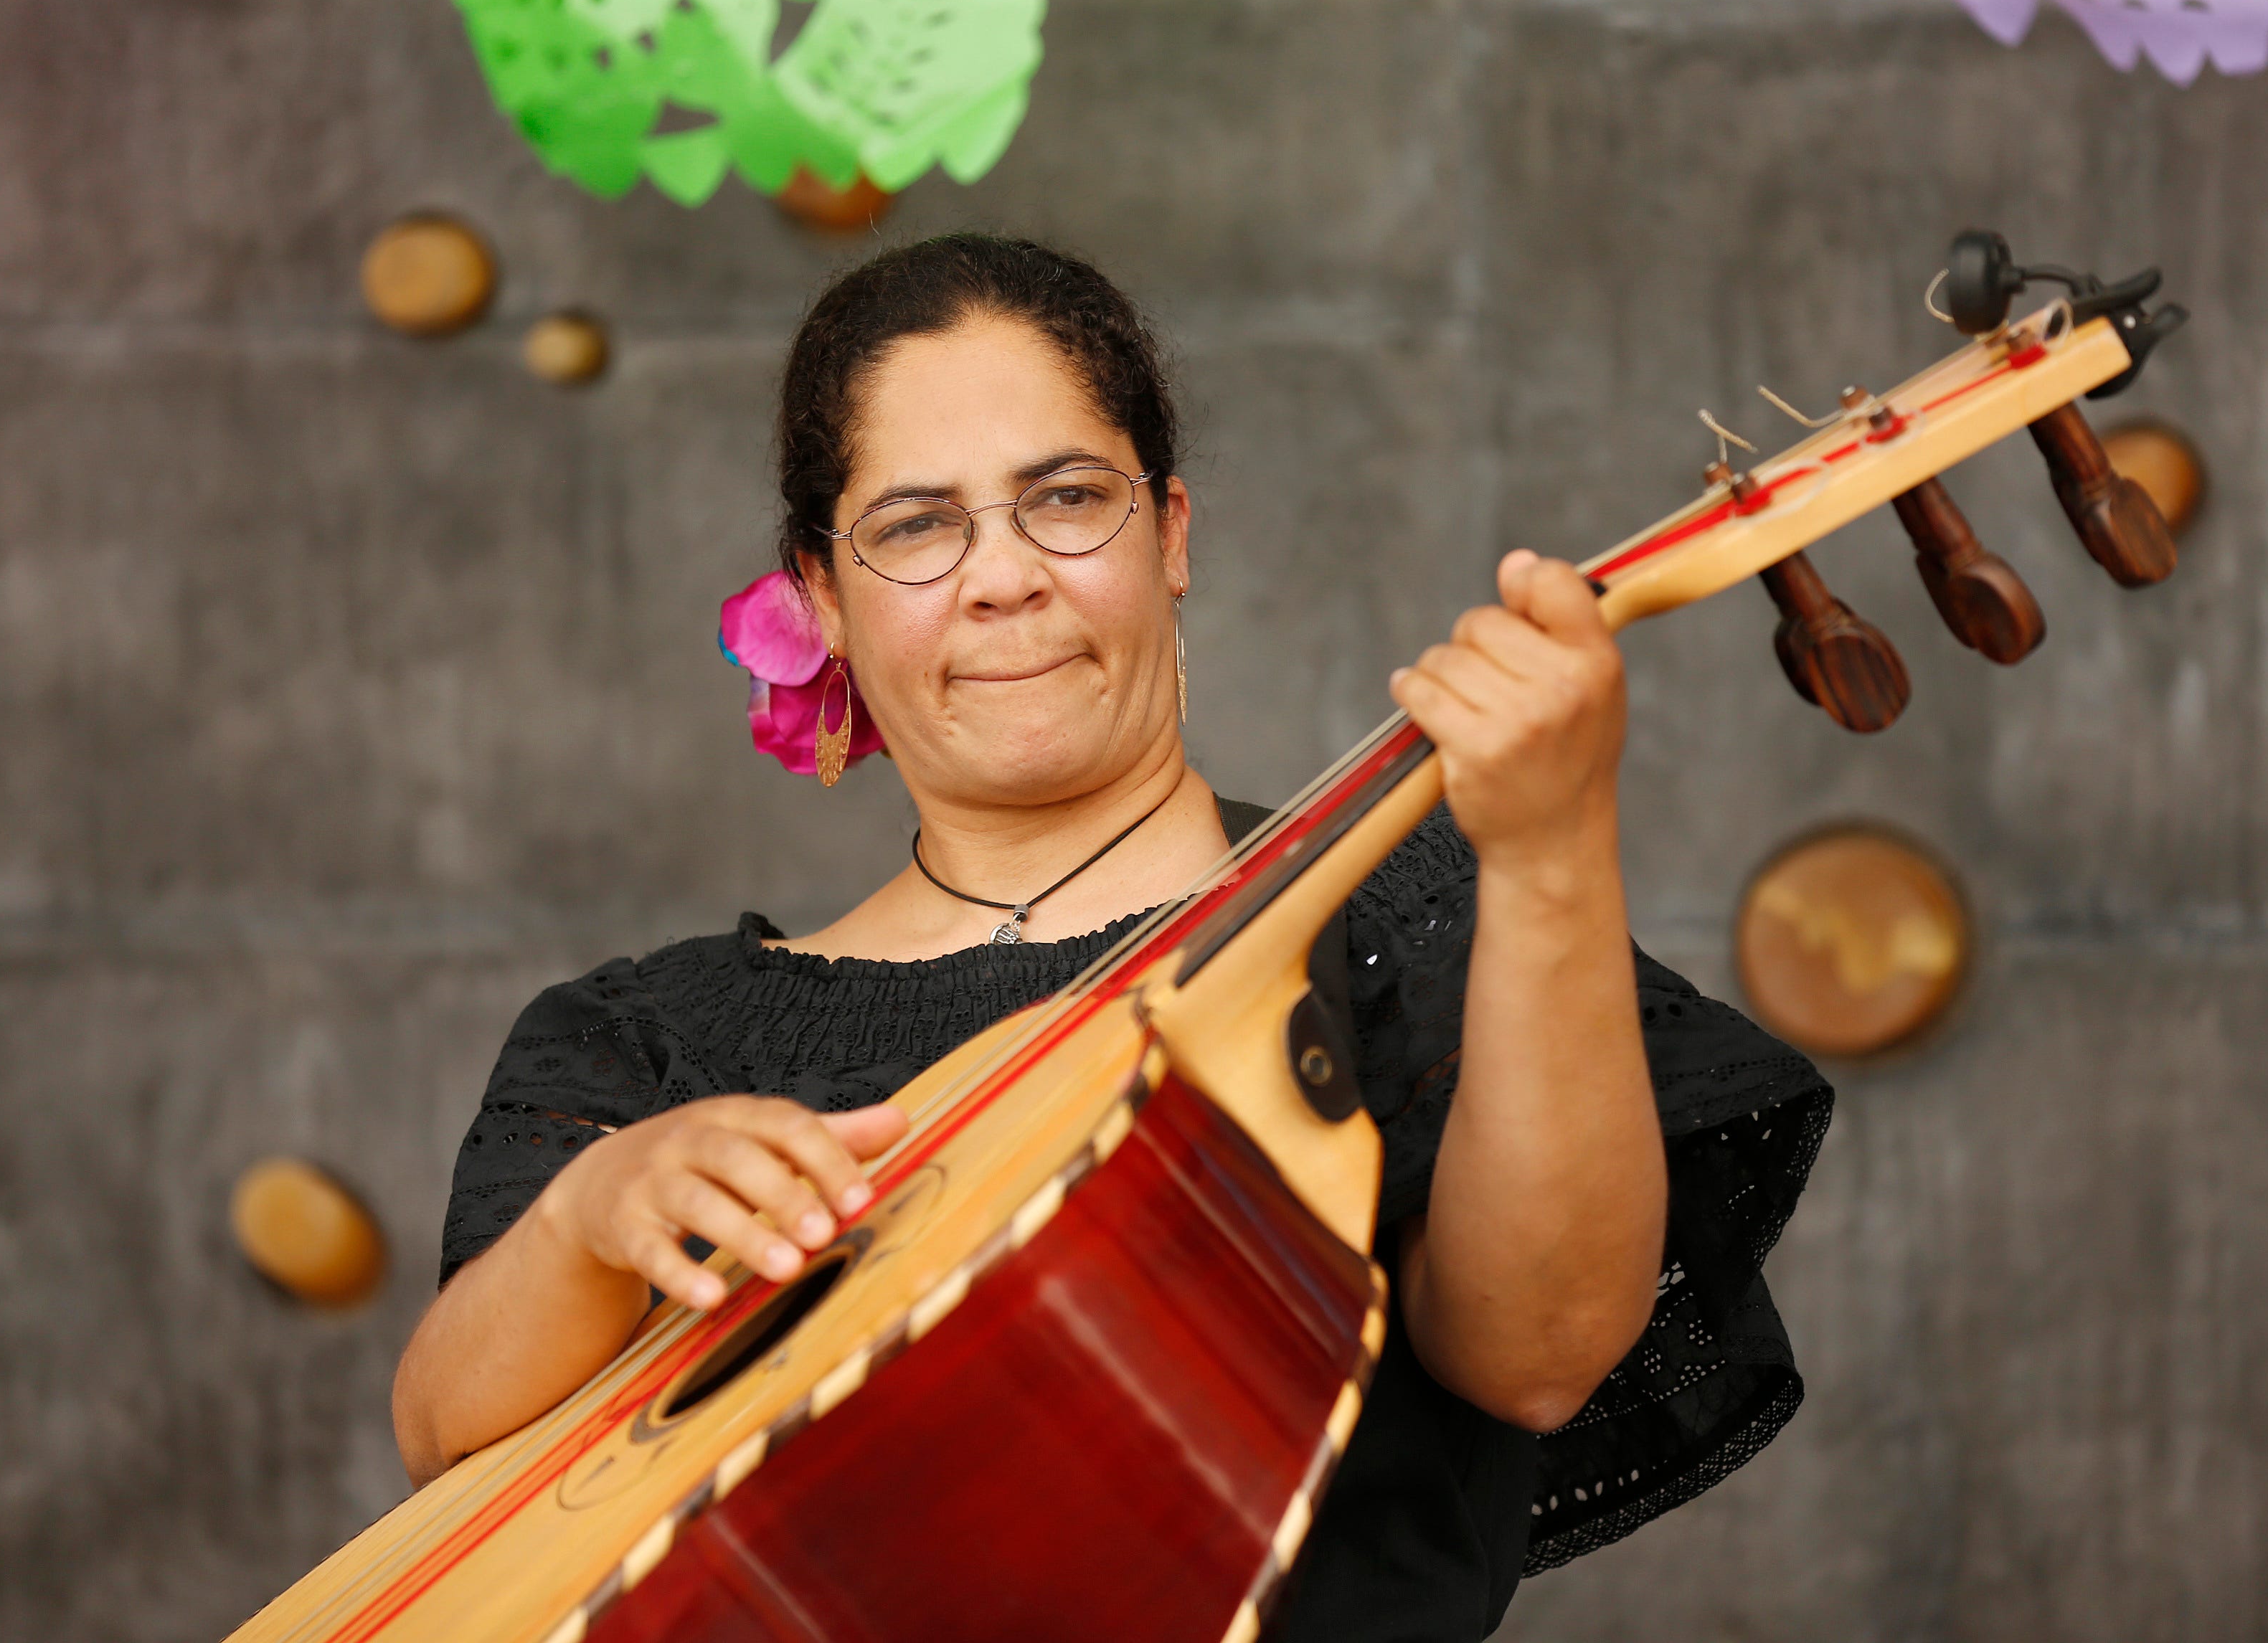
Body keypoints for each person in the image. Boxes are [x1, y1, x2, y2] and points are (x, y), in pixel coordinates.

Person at [392, 235, 1833, 1641]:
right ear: (820, 598)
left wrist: (1555, 846)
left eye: (1066, 499)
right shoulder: (653, 1037)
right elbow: (446, 1439)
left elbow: (1537, 1356)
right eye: (914, 526)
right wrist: (591, 1219)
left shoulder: (1395, 906)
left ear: (1172, 534)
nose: (1004, 577)